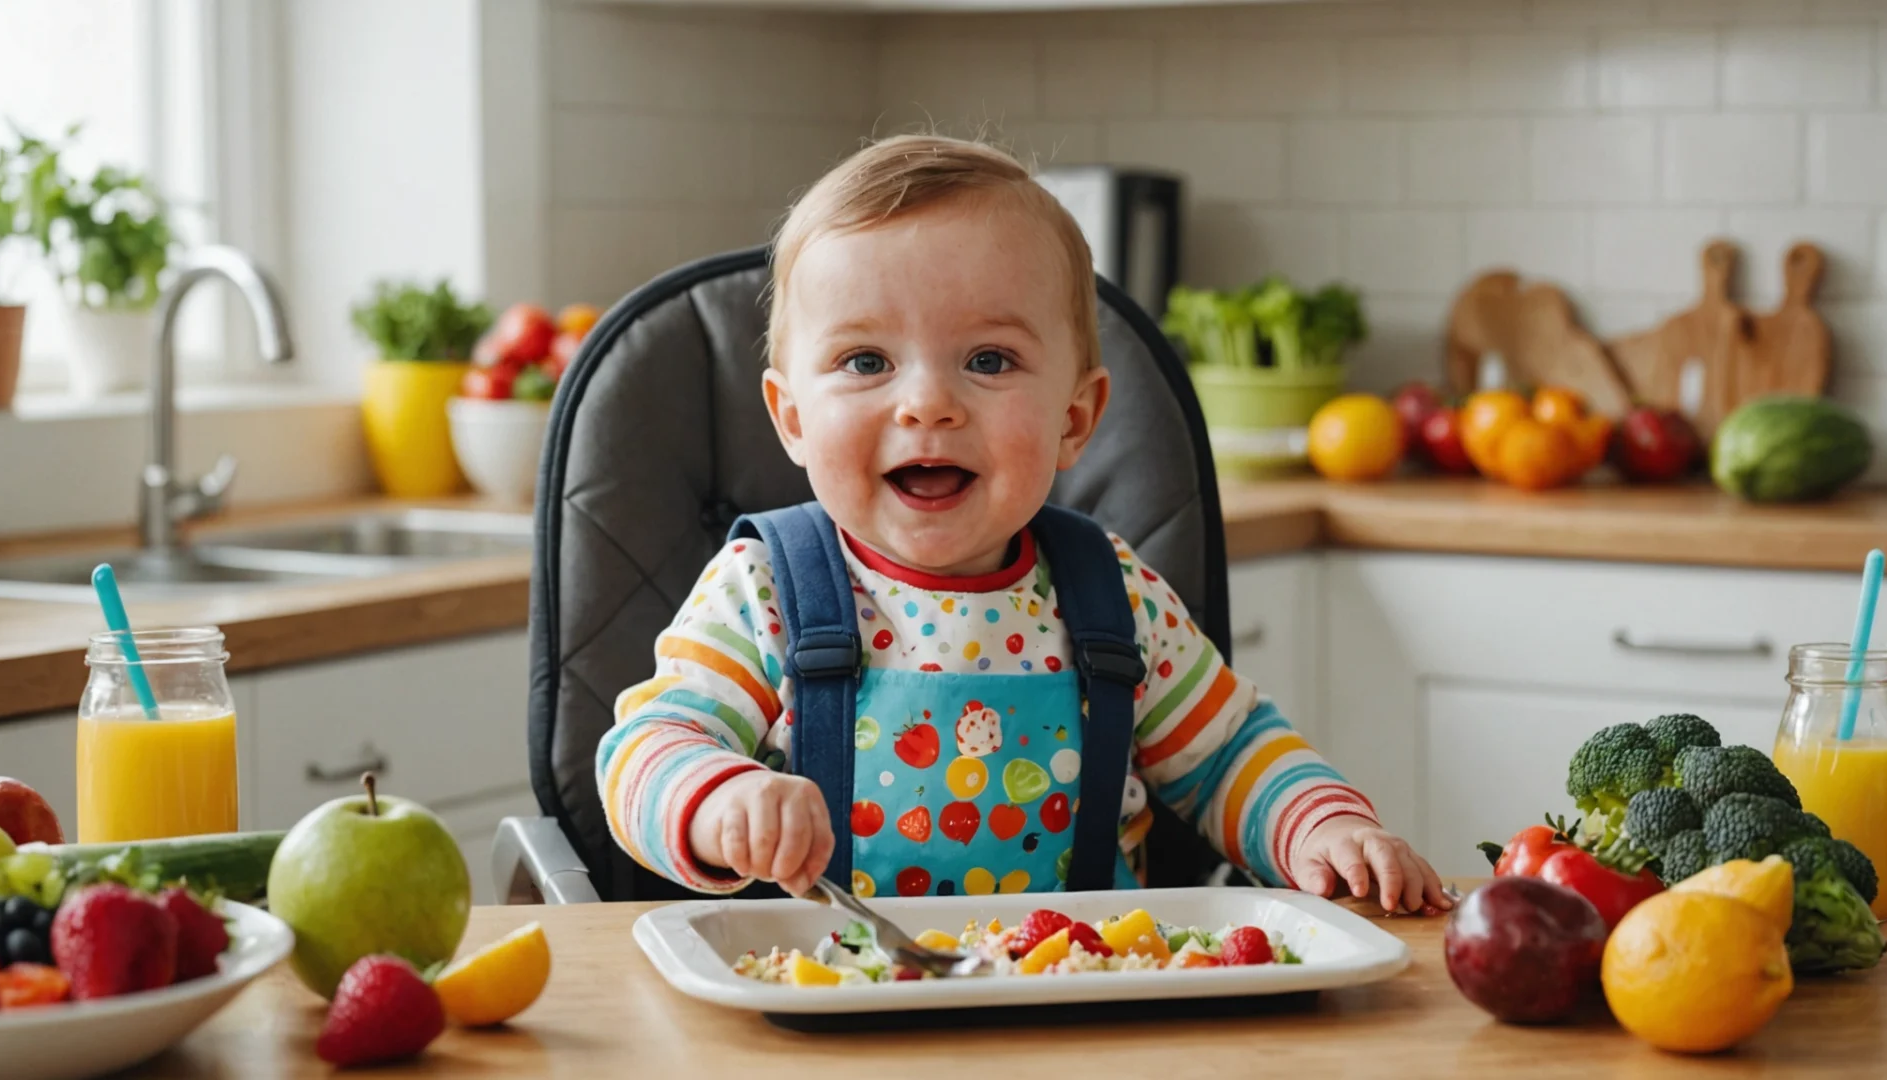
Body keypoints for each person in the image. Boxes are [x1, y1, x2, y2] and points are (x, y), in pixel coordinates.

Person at [598, 134, 1450, 913]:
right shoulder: (764, 593)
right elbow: (644, 750)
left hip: (1083, 998)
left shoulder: (1110, 596)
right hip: (831, 1002)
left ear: (1075, 419)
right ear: (789, 418)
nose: (927, 403)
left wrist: (1325, 829)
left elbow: (1229, 756)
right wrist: (716, 801)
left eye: (989, 360)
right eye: (865, 361)